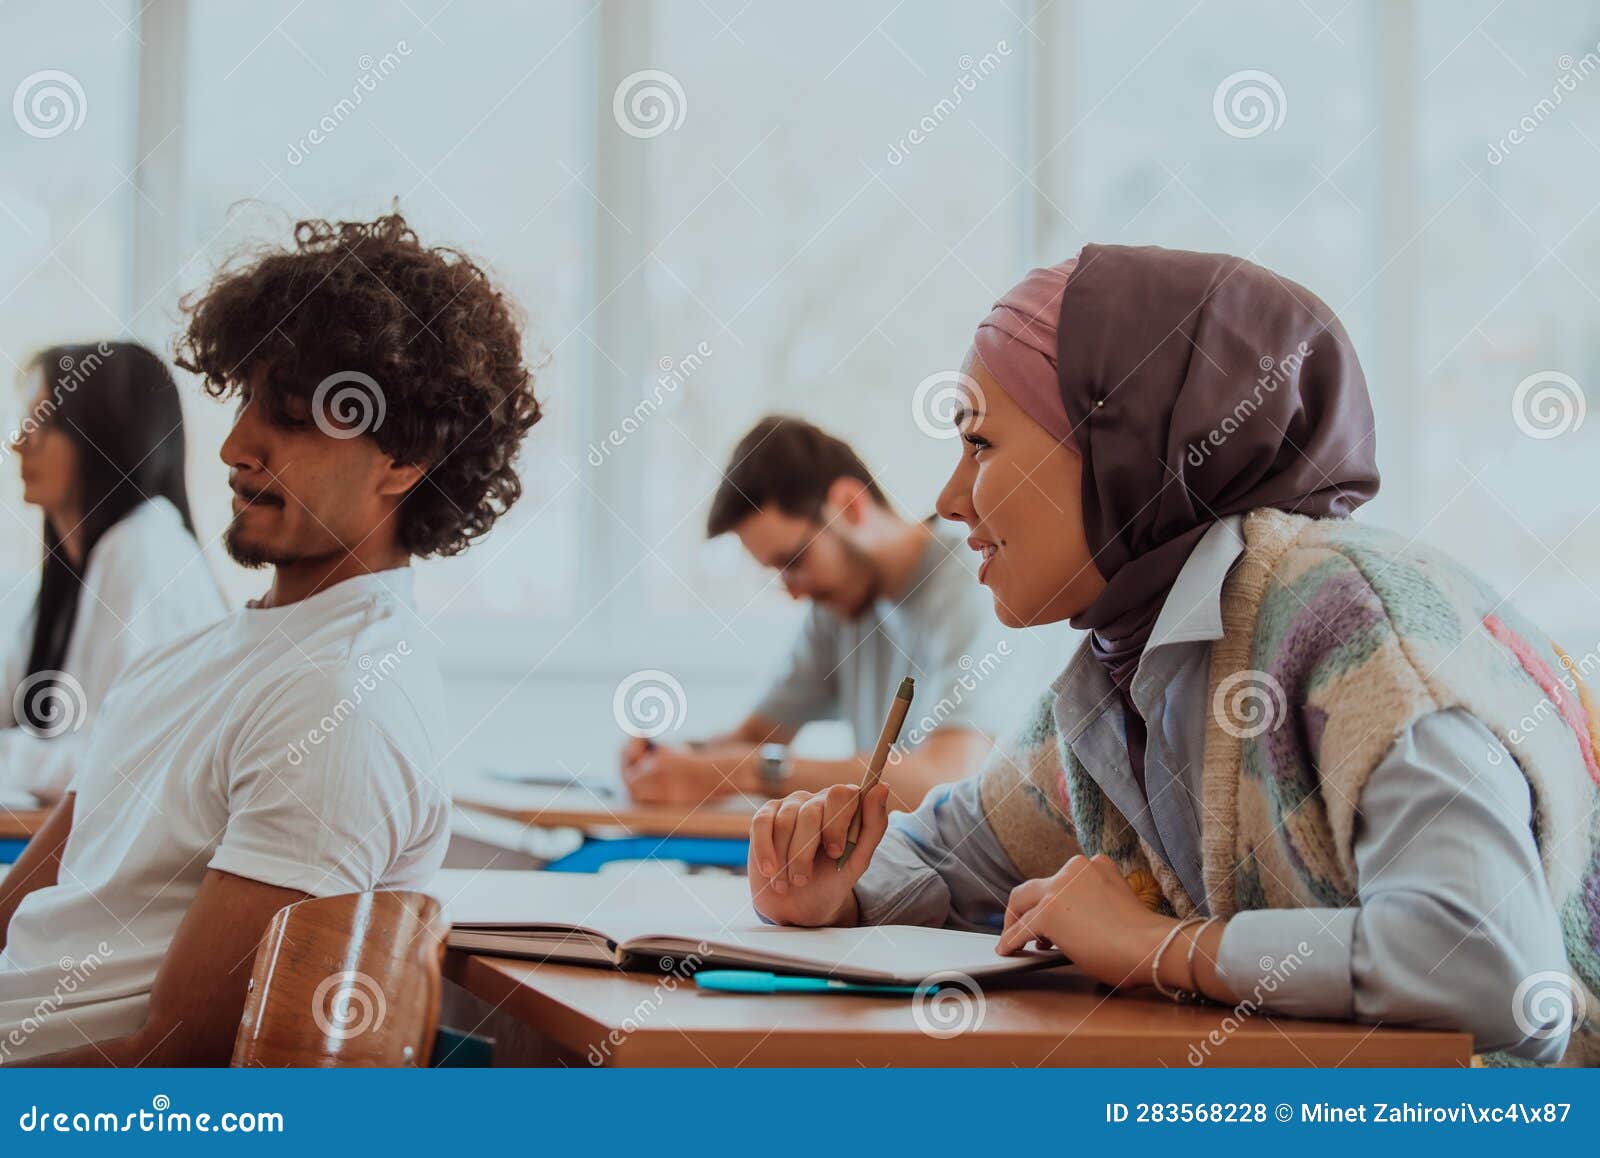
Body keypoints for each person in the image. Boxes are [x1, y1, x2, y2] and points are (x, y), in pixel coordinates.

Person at [746, 244, 1598, 1066]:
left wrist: (1164, 949)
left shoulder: (1350, 626)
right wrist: (834, 887)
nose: (947, 498)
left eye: (980, 444)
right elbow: (947, 857)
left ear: (1119, 445)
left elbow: (1494, 970)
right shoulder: (1126, 670)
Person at [0, 214, 541, 1066]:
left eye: (289, 417)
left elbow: (175, 1059)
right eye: (246, 400)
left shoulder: (341, 699)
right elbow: (21, 912)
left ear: (402, 460)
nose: (233, 446)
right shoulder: (192, 659)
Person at [621, 415, 997, 811]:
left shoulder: (973, 578)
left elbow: (944, 780)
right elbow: (754, 738)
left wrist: (747, 771)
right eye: (777, 573)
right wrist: (665, 760)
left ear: (850, 507)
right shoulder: (841, 605)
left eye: (794, 561)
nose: (795, 592)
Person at [1, 342, 226, 802]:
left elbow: (113, 760)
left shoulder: (141, 549)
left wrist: (8, 756)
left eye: (44, 422)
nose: (19, 442)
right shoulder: (78, 569)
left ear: (102, 436)